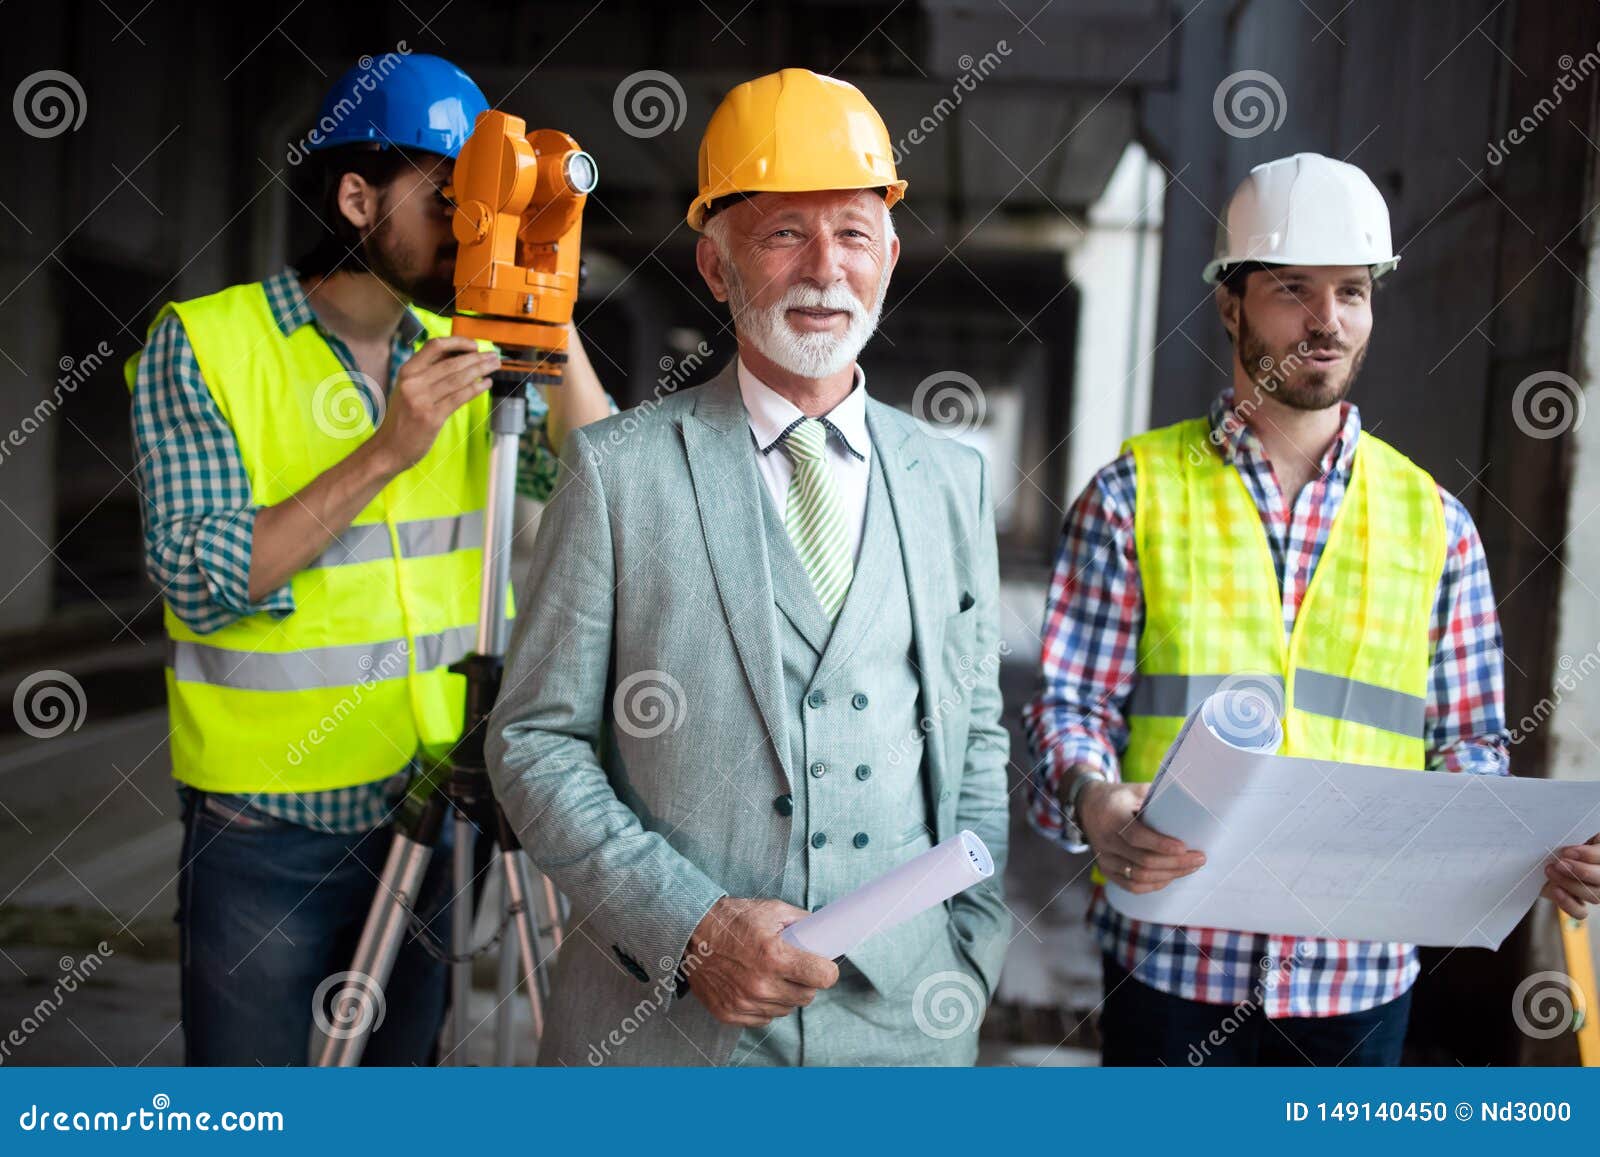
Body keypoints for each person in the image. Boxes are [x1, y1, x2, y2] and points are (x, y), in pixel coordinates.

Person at [1022, 152, 1600, 1066]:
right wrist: (1094, 801)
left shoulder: (1435, 525)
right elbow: (1070, 708)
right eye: (1293, 289)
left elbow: (1468, 751)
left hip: (1357, 980)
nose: (1326, 320)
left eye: (1351, 292)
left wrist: (1530, 850)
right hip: (1173, 961)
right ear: (1230, 304)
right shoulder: (1134, 493)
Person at [487, 68, 1010, 1066]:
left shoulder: (950, 479)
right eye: (782, 234)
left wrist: (970, 949)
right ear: (718, 266)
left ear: (888, 257)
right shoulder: (616, 473)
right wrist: (692, 927)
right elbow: (533, 741)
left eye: (852, 233)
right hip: (666, 1035)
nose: (824, 267)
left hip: (904, 1030)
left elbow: (975, 733)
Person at [125, 52, 612, 1065]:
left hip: (430, 803)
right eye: (450, 200)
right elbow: (198, 581)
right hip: (268, 824)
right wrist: (389, 450)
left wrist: (542, 288)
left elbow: (602, 488)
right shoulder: (207, 344)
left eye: (487, 203)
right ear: (356, 197)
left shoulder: (464, 345)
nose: (469, 227)